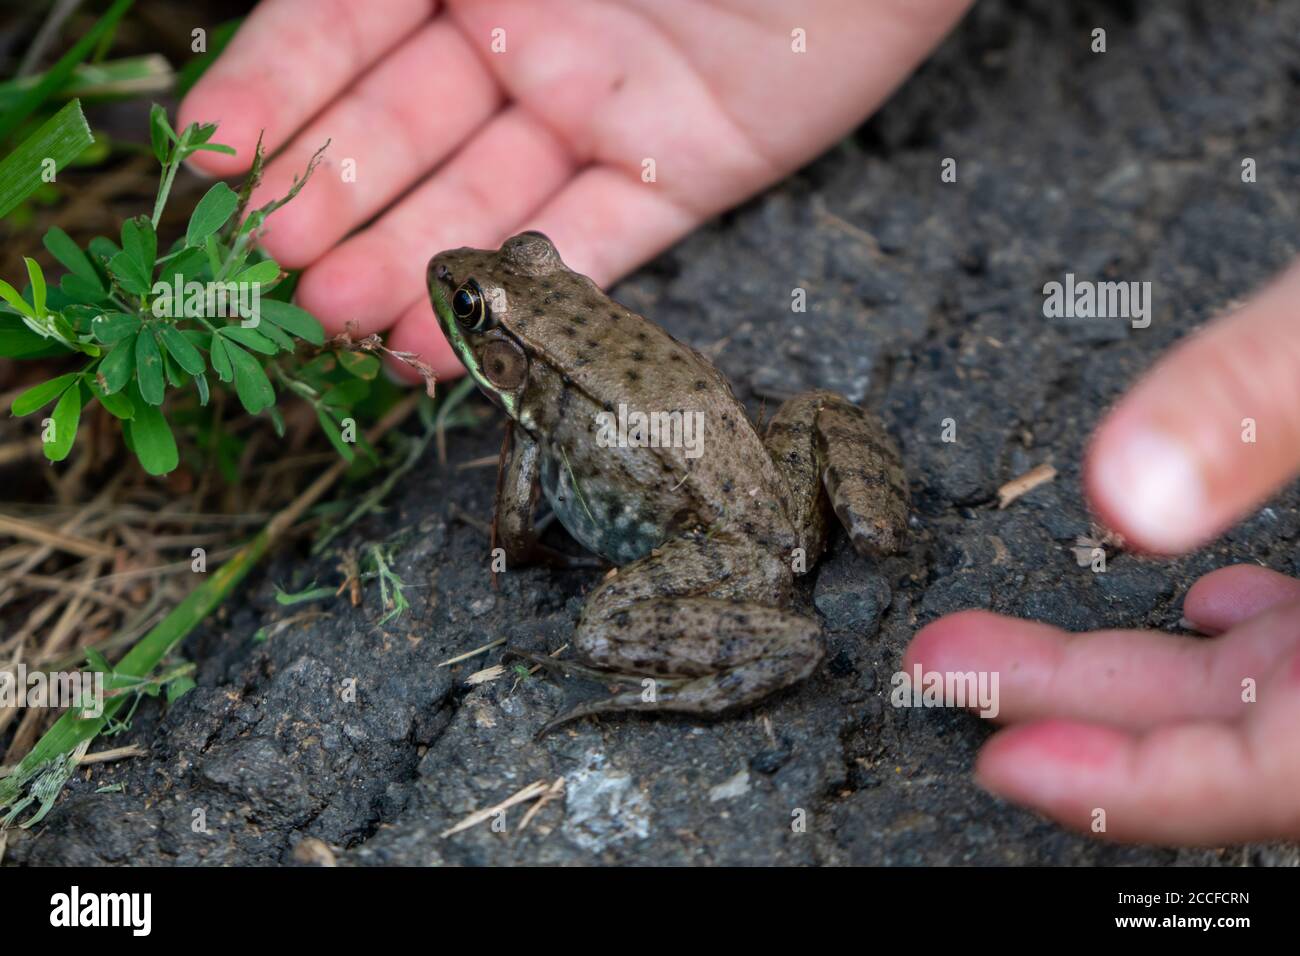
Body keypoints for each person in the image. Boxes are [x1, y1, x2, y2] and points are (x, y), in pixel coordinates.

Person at [180, 0, 1300, 845]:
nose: (461, 300)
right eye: (481, 308)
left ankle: (703, 666)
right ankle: (878, 531)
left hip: (727, 547)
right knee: (805, 414)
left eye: (480, 307)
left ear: (508, 350)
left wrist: (520, 545)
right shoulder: (556, 377)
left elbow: (520, 528)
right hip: (774, 491)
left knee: (598, 629)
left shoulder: (527, 414)